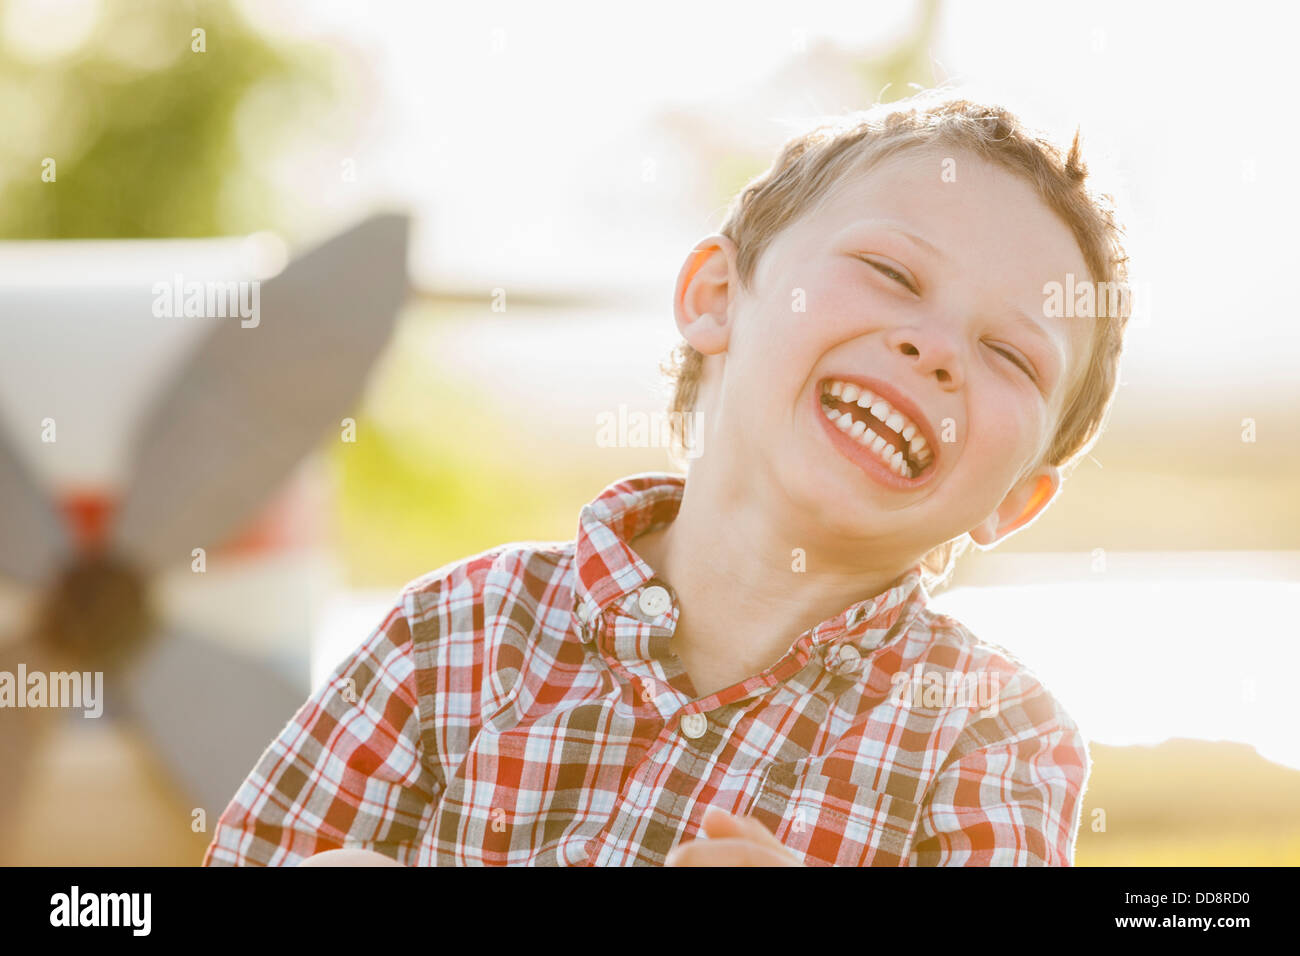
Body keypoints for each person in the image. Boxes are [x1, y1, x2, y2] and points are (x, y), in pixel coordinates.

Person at [204, 89, 1131, 867]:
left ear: (1017, 499)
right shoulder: (457, 637)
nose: (935, 349)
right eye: (892, 272)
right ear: (717, 298)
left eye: (1010, 354)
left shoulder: (995, 737)